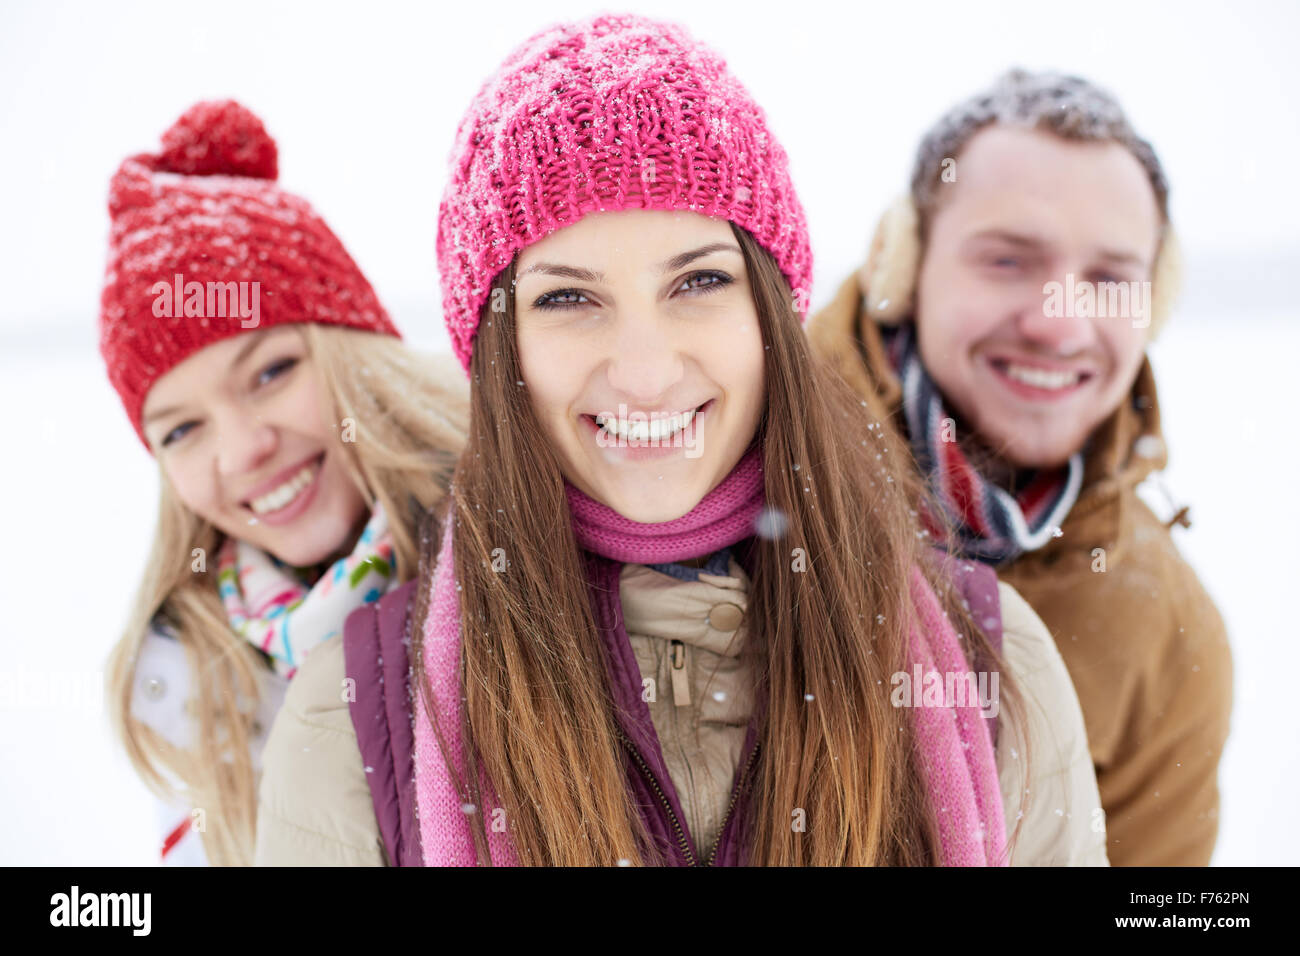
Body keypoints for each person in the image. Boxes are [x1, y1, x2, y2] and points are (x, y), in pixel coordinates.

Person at [255, 15, 1106, 866]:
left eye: (699, 281)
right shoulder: (355, 720)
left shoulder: (992, 664)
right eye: (567, 299)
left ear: (770, 311)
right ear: (496, 348)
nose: (646, 372)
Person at [807, 69, 1233, 866]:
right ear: (906, 269)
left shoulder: (1164, 633)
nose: (1058, 324)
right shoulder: (730, 459)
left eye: (1109, 280)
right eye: (1007, 261)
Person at [99, 100, 468, 865]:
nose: (244, 450)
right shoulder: (192, 689)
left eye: (271, 372)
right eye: (182, 429)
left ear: (357, 358)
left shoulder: (525, 543)